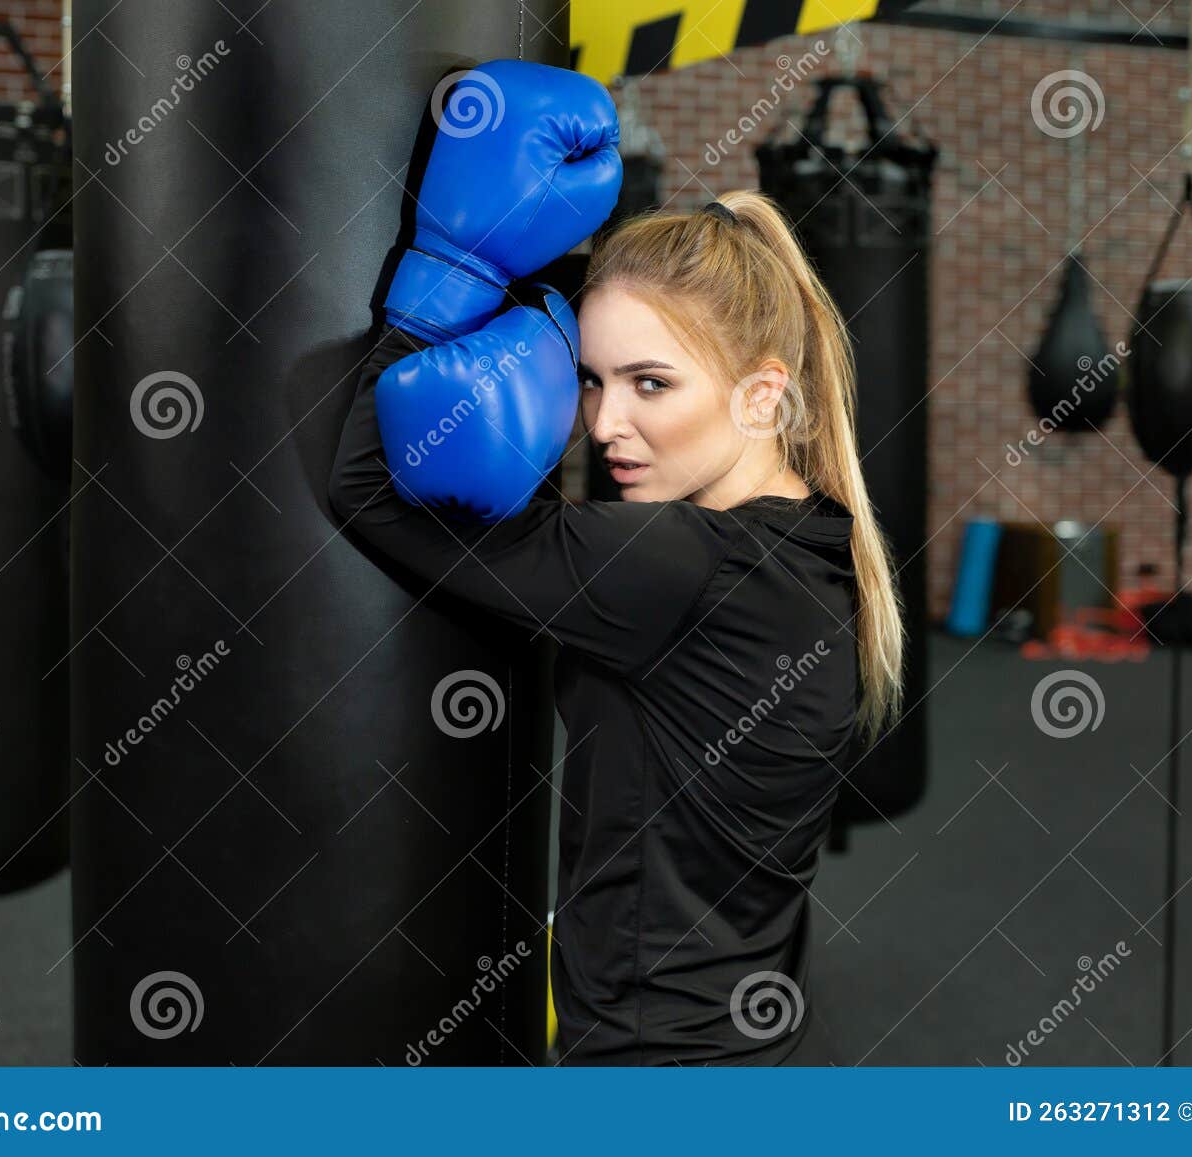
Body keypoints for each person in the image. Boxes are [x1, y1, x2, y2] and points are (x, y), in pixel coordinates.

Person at [328, 61, 903, 1065]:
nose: (605, 423)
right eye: (590, 381)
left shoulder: (675, 564)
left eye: (650, 381)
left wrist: (450, 273)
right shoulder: (810, 539)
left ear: (763, 396)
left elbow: (368, 487)